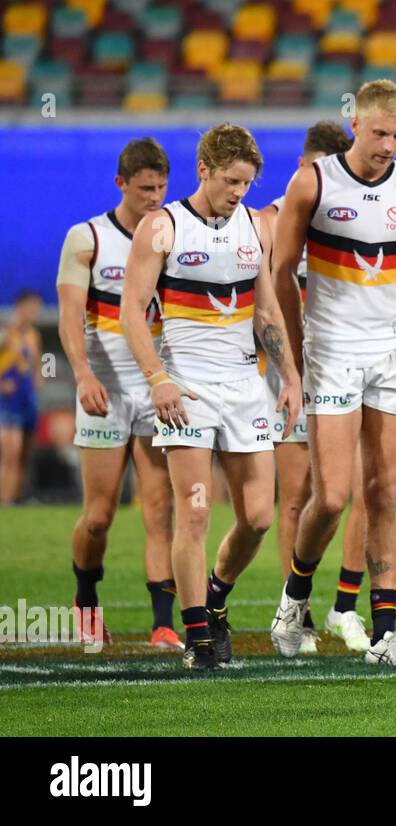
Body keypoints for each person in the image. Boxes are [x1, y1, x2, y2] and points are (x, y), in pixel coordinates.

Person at [269, 80, 396, 667]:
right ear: (356, 125)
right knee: (331, 497)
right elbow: (279, 276)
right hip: (332, 350)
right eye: (379, 134)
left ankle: (385, 635)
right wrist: (292, 361)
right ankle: (295, 597)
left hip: (394, 352)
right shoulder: (314, 182)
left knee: (386, 492)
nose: (388, 146)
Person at [120, 123, 301, 671]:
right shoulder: (162, 227)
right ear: (203, 171)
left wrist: (289, 377)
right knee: (194, 513)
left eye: (246, 183)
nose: (238, 192)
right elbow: (131, 311)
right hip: (187, 388)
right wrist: (158, 379)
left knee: (259, 517)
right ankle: (198, 638)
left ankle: (216, 598)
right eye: (230, 181)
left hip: (246, 386)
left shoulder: (256, 226)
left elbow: (266, 310)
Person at [56, 138, 180, 649]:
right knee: (100, 515)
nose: (155, 197)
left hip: (156, 389)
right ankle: (85, 600)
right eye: (144, 188)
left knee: (159, 508)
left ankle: (163, 624)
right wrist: (82, 374)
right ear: (120, 183)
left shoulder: (174, 233)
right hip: (105, 391)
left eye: (161, 187)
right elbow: (68, 317)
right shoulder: (86, 239)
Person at [258, 122, 371, 654]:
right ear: (307, 169)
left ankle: (345, 606)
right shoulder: (270, 222)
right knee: (299, 495)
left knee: (365, 489)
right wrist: (283, 369)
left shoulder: (356, 217)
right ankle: (295, 612)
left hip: (350, 366)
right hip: (290, 373)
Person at [0, 290, 43, 505]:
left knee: (25, 454)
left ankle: (16, 499)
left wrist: (40, 379)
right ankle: (5, 500)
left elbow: (39, 365)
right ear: (20, 307)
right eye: (32, 308)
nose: (36, 312)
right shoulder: (6, 333)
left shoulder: (34, 335)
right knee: (11, 454)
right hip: (9, 401)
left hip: (29, 400)